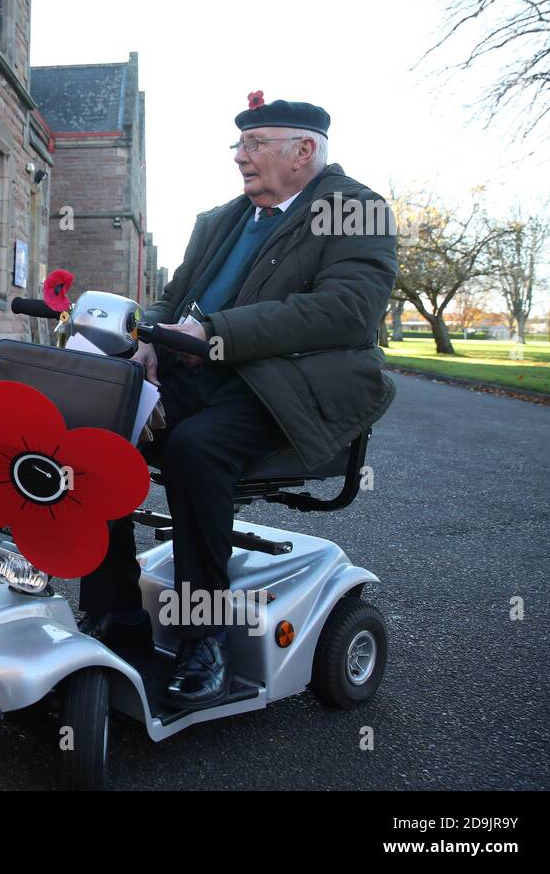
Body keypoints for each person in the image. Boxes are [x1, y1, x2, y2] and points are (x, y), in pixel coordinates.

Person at [78, 92, 397, 710]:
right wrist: (149, 340)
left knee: (197, 450)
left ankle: (207, 640)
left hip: (280, 390)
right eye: (239, 145)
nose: (240, 158)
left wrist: (215, 334)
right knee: (96, 432)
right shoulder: (224, 218)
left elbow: (345, 311)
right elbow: (173, 298)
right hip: (193, 372)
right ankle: (116, 614)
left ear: (304, 151)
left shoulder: (355, 210)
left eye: (256, 145)